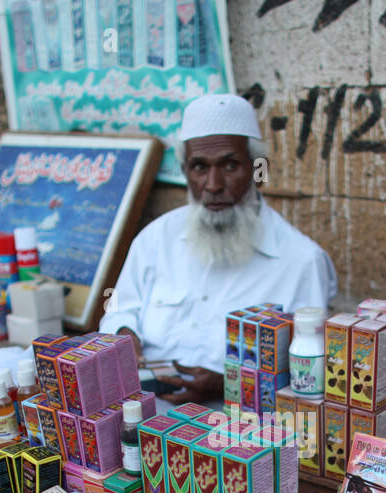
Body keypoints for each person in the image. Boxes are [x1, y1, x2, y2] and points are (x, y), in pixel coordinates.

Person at [99, 93, 338, 404]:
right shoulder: (155, 239)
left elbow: (309, 383)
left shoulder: (302, 262)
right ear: (185, 173)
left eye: (229, 165)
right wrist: (126, 339)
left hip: (239, 433)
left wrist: (229, 386)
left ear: (258, 172)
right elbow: (118, 311)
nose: (212, 184)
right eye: (199, 167)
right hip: (143, 418)